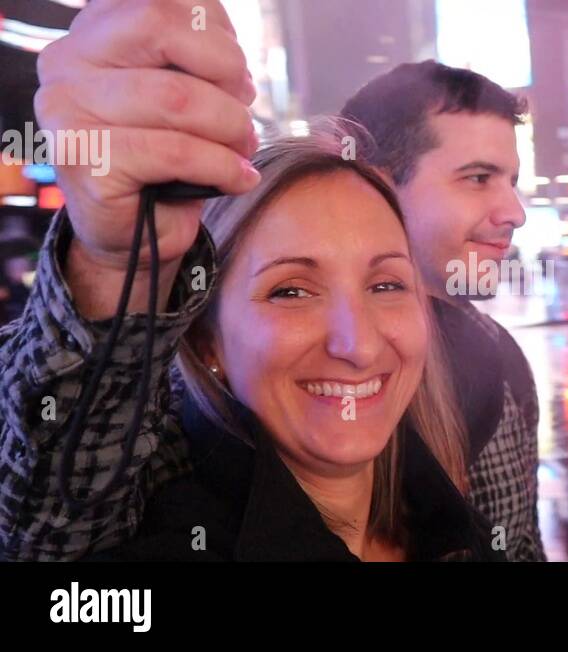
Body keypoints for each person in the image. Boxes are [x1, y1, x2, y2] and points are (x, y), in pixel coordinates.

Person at [0, 0, 500, 562]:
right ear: (206, 338)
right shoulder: (165, 543)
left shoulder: (463, 521)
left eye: (386, 285)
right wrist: (119, 265)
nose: (357, 345)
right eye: (291, 291)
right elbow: (50, 526)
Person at [343, 62, 546, 561]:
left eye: (512, 180)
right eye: (478, 178)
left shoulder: (500, 353)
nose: (514, 212)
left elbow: (523, 546)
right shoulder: (308, 364)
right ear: (380, 187)